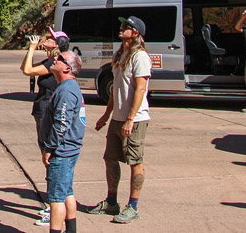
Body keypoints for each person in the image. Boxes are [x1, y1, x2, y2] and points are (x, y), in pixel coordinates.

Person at [88, 15, 150, 224]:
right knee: (110, 159)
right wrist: (107, 115)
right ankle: (111, 202)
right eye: (122, 25)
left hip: (136, 119)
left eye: (127, 26)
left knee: (135, 162)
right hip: (118, 118)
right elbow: (116, 89)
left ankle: (133, 207)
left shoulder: (140, 56)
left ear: (136, 34)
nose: (122, 28)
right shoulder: (121, 54)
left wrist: (130, 119)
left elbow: (141, 88)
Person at [21, 28, 69, 226]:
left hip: (48, 114)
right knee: (47, 156)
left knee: (50, 157)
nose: (44, 39)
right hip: (43, 112)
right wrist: (31, 50)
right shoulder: (50, 61)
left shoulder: (53, 63)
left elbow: (28, 71)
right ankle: (55, 203)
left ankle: (53, 206)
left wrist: (32, 47)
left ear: (56, 45)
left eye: (49, 38)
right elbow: (25, 67)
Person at [37, 50, 85, 233]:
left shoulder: (66, 91)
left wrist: (49, 148)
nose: (54, 59)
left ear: (67, 67)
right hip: (69, 150)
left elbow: (61, 123)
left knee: (56, 198)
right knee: (67, 192)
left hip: (61, 152)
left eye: (59, 59)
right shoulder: (69, 88)